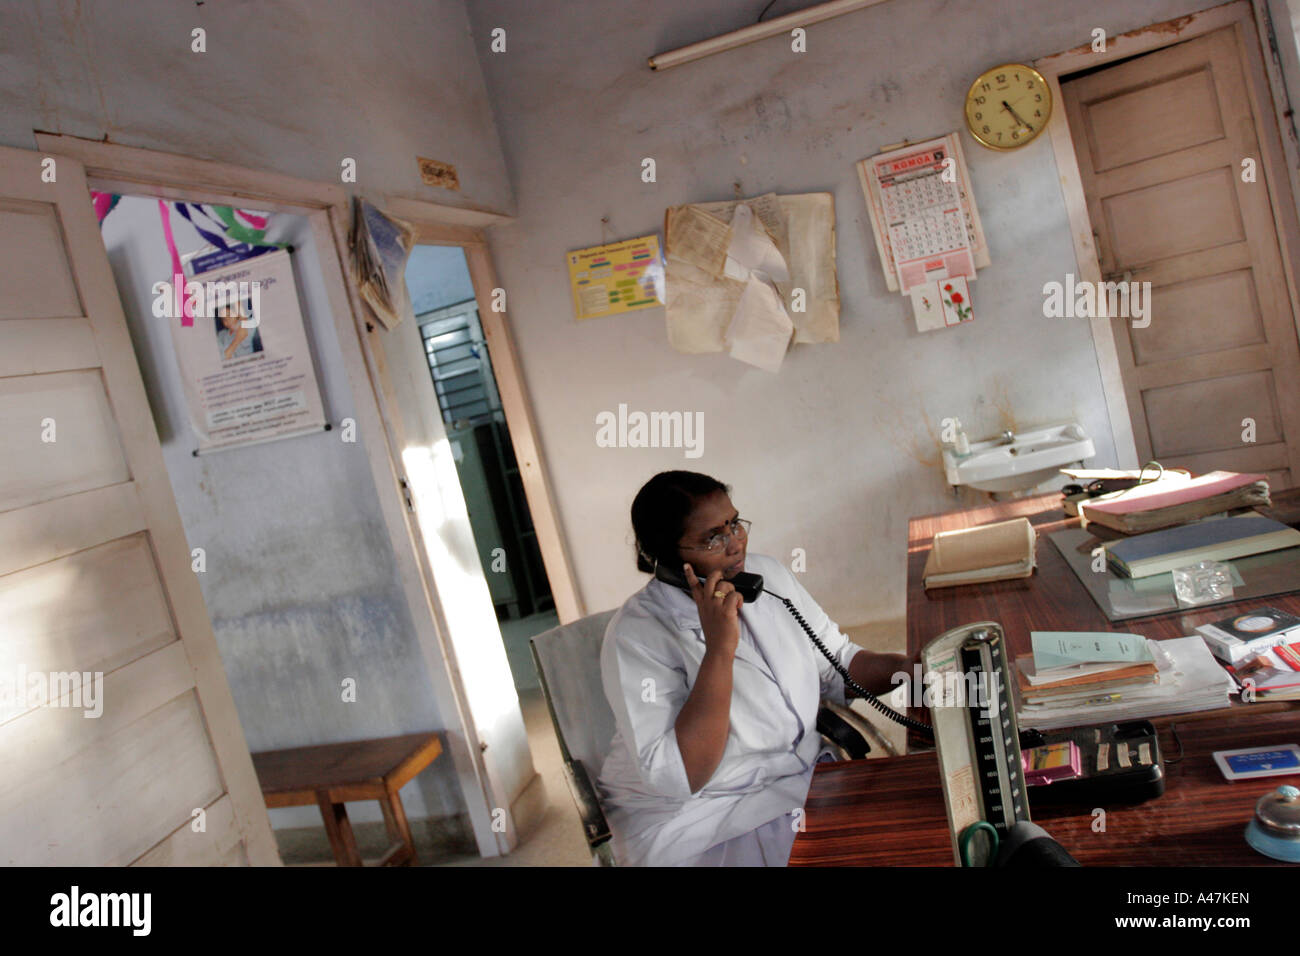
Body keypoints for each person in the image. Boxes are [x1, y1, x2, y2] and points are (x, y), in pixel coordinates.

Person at [596, 470, 915, 866]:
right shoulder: (636, 635)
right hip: (706, 820)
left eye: (734, 524)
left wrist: (909, 668)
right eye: (713, 537)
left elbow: (838, 663)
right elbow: (683, 775)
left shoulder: (768, 578)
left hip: (799, 778)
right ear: (669, 557)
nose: (735, 543)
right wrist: (719, 650)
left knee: (914, 819)